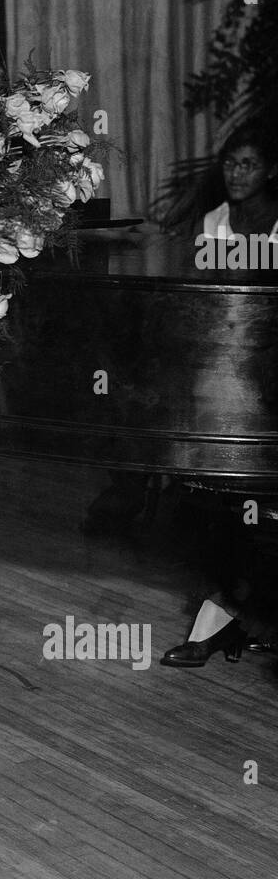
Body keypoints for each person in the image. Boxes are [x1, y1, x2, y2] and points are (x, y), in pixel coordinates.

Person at [161, 122, 278, 666]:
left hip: (271, 377)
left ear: (270, 170)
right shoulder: (213, 222)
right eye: (231, 164)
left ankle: (247, 619)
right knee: (218, 501)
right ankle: (223, 619)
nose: (236, 174)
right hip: (228, 377)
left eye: (249, 164)